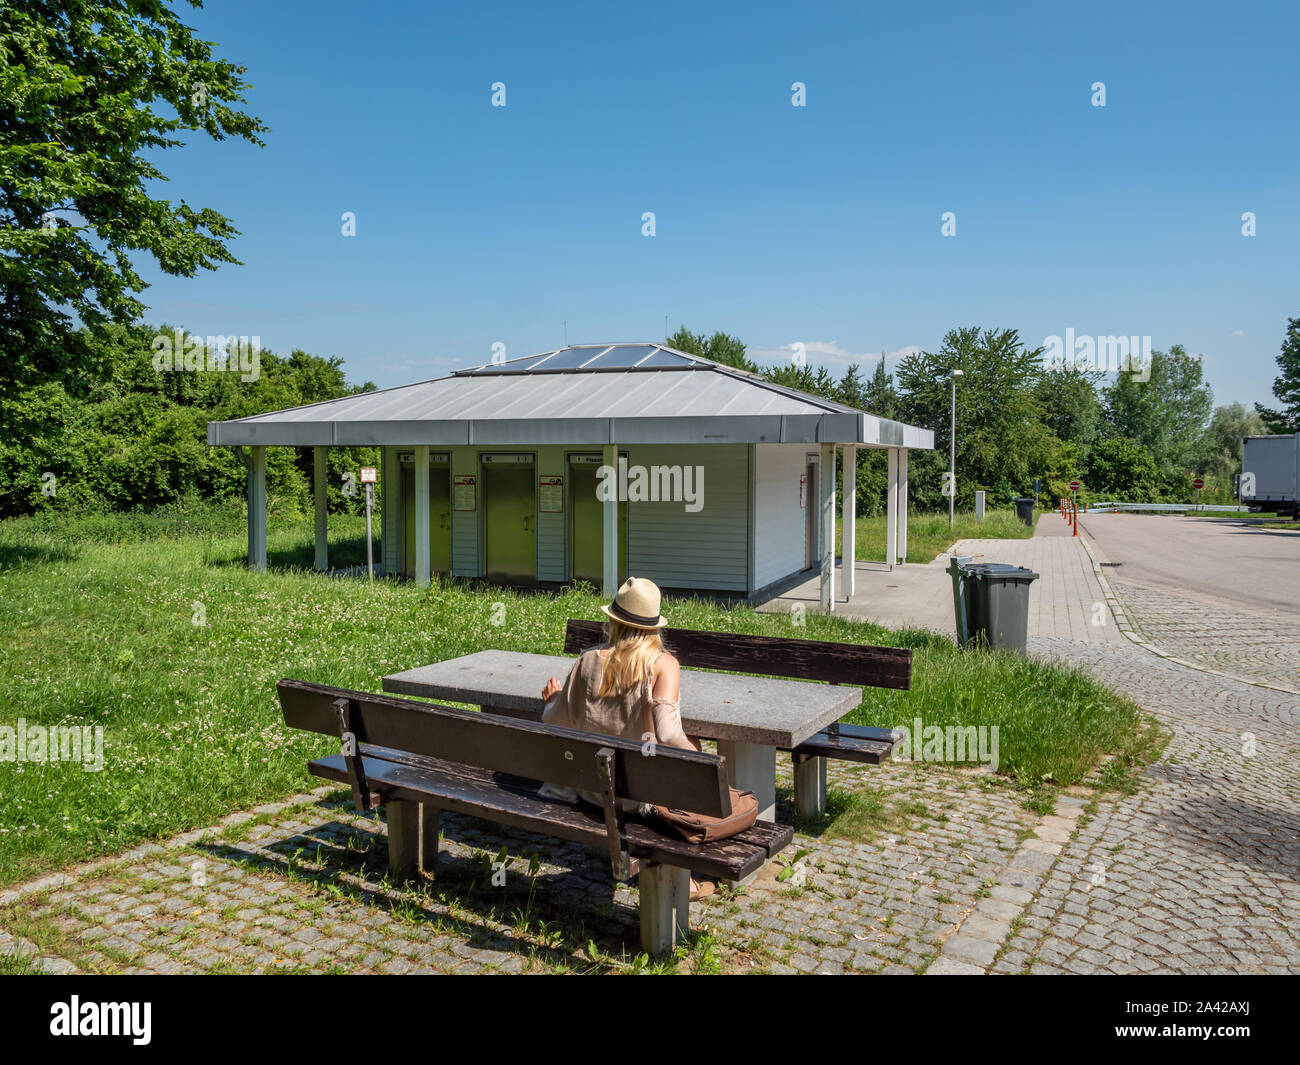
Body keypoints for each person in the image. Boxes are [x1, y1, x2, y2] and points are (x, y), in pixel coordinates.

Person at [538, 576, 713, 900]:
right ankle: (682, 880)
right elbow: (670, 734)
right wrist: (706, 765)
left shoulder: (587, 660)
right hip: (639, 800)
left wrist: (553, 698)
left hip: (590, 790)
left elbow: (555, 720)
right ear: (655, 626)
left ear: (613, 620)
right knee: (694, 752)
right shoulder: (663, 665)